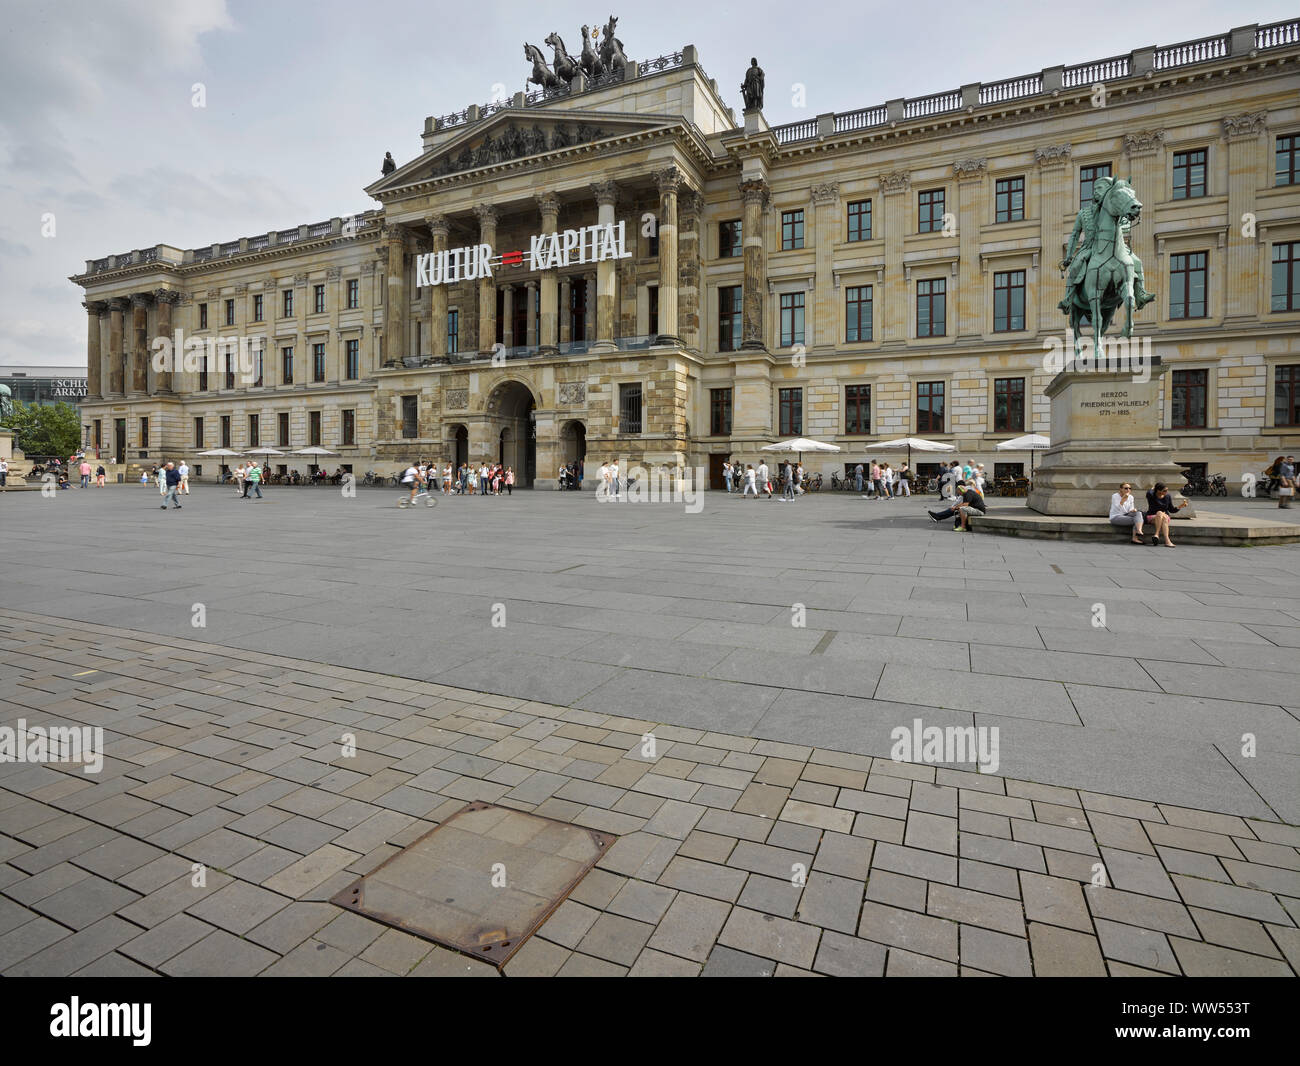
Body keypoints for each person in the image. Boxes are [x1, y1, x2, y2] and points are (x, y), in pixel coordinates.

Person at [1144, 482, 1186, 547]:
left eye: (1167, 490)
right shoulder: (1151, 495)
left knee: (1163, 516)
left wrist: (1181, 506)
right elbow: (1149, 491)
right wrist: (1153, 487)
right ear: (1158, 490)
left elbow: (1171, 509)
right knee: (1160, 513)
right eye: (1164, 490)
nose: (1166, 492)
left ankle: (1157, 535)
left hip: (1164, 517)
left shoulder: (1167, 496)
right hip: (1152, 517)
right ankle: (1167, 541)